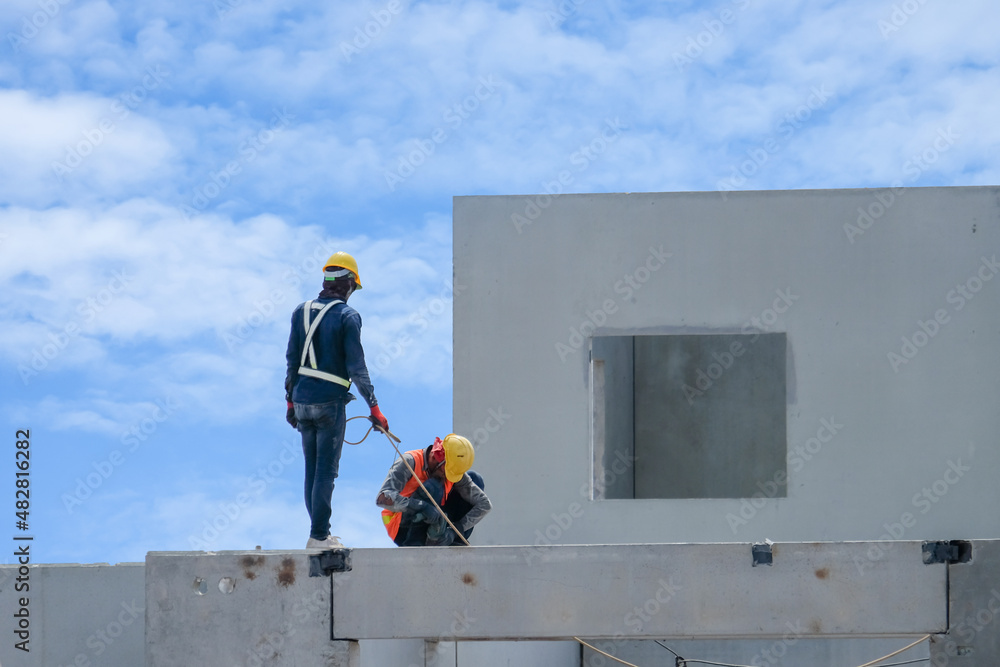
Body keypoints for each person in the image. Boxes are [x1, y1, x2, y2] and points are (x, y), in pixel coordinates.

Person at [285, 251, 388, 550]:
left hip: (302, 401)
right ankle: (319, 537)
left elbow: (291, 360)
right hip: (329, 404)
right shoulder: (348, 316)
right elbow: (357, 368)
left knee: (311, 469)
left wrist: (290, 403)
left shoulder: (300, 311)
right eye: (353, 287)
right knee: (326, 472)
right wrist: (375, 409)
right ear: (348, 284)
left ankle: (320, 532)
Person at [376, 434, 491, 546]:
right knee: (433, 485)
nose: (448, 477)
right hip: (402, 528)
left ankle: (448, 541)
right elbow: (382, 498)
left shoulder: (450, 468)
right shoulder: (410, 461)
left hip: (436, 522)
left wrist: (456, 530)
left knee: (475, 478)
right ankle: (414, 543)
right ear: (441, 462)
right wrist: (421, 506)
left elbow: (484, 504)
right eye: (447, 472)